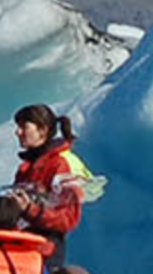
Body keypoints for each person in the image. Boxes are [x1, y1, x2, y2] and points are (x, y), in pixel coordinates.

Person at [7, 105, 105, 253]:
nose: (17, 132)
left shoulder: (60, 164)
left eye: (23, 126)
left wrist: (30, 209)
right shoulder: (27, 168)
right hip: (25, 246)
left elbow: (67, 217)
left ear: (42, 130)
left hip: (46, 249)